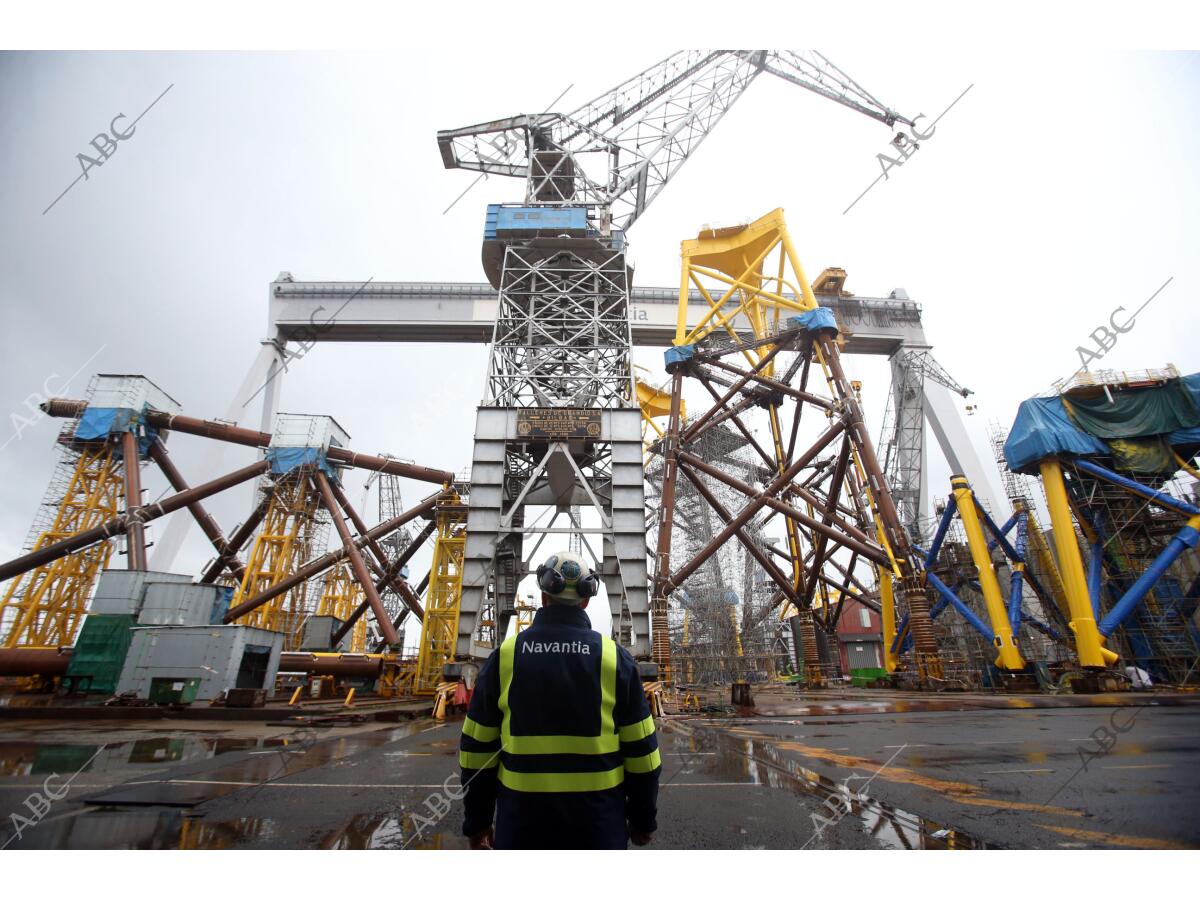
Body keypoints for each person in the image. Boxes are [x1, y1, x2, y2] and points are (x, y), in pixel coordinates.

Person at [458, 551, 661, 849]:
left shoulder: (505, 658)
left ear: (543, 595)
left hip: (522, 827)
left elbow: (476, 754)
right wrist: (643, 822)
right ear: (586, 600)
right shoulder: (615, 659)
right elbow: (644, 757)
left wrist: (477, 824)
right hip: (599, 828)